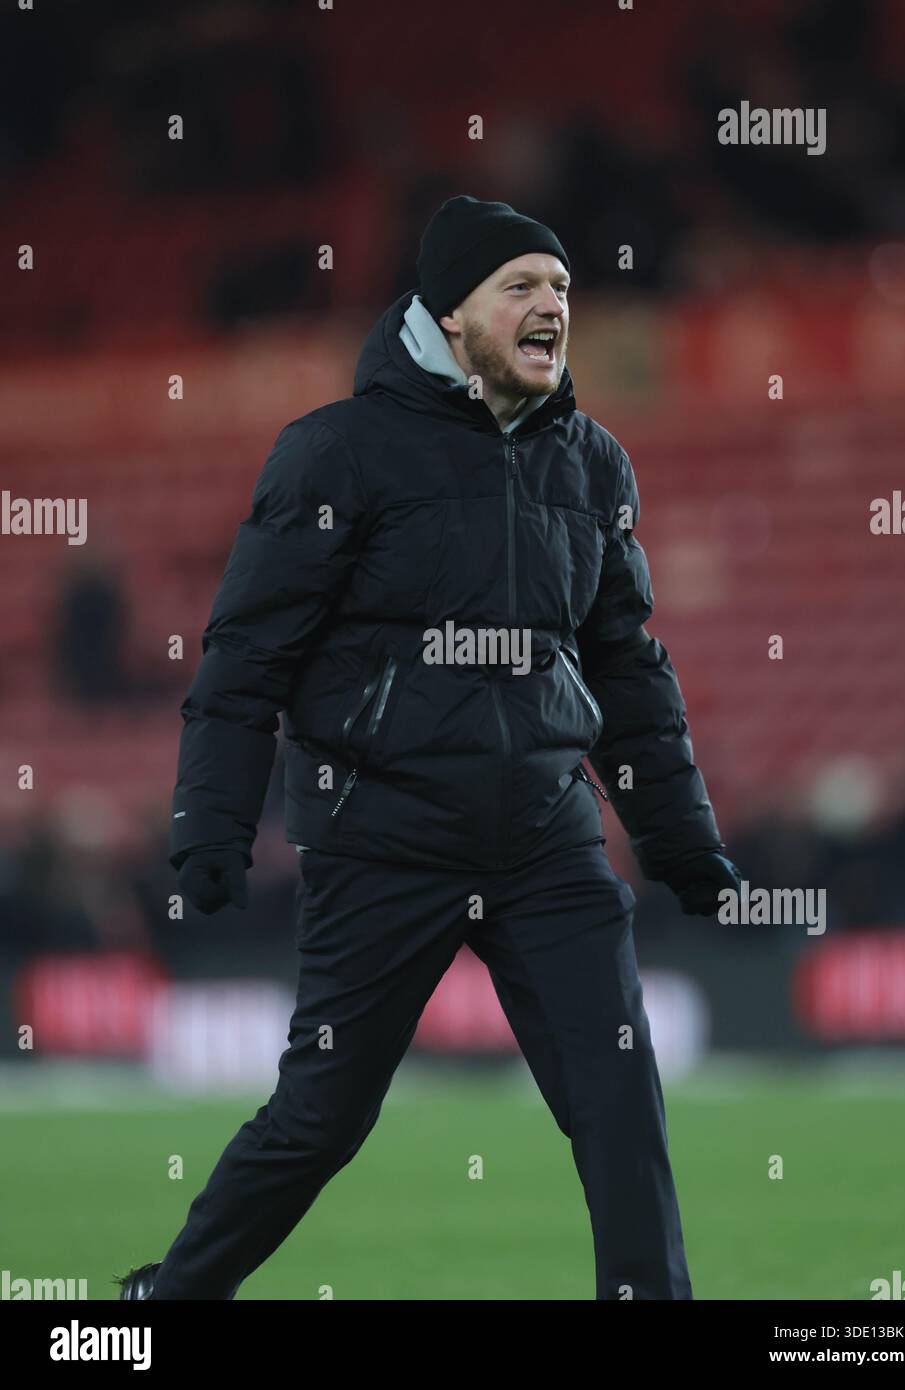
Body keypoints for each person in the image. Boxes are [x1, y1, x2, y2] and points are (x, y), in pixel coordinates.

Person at [118, 195, 740, 1302]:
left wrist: (682, 841)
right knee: (320, 1118)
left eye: (562, 289)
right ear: (451, 315)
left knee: (619, 1099)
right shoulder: (335, 454)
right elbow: (245, 658)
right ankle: (167, 1306)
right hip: (385, 840)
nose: (553, 305)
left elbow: (628, 667)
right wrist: (209, 827)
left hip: (548, 840)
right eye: (523, 287)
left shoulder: (592, 465)